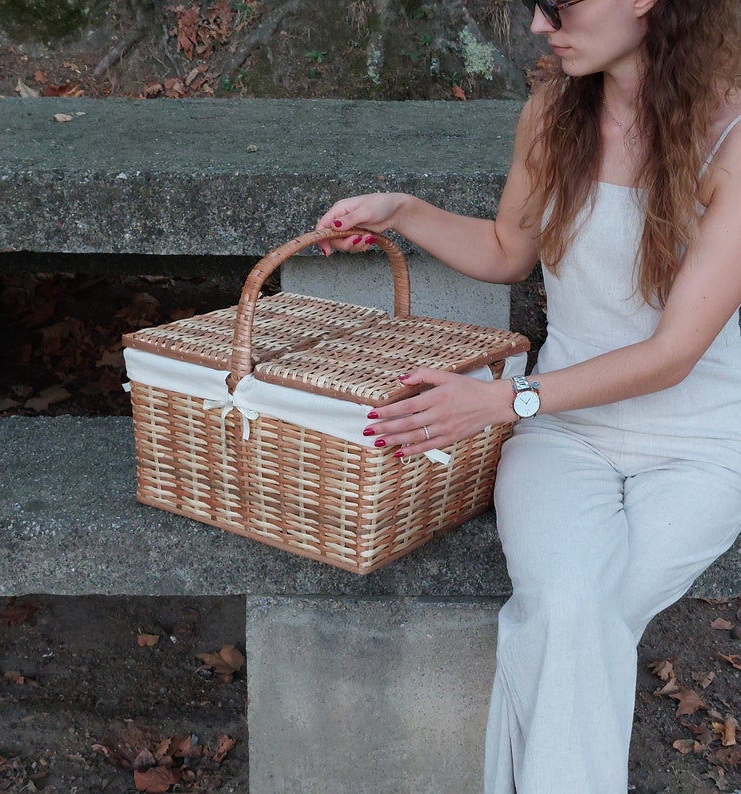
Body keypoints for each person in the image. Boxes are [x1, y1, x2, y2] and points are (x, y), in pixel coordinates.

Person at [315, 0, 741, 791]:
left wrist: (504, 402)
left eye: (560, 4)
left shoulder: (734, 139)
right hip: (564, 438)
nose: (542, 26)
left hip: (702, 449)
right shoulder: (554, 112)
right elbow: (509, 249)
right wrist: (401, 212)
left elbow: (673, 353)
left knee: (572, 620)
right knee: (573, 615)